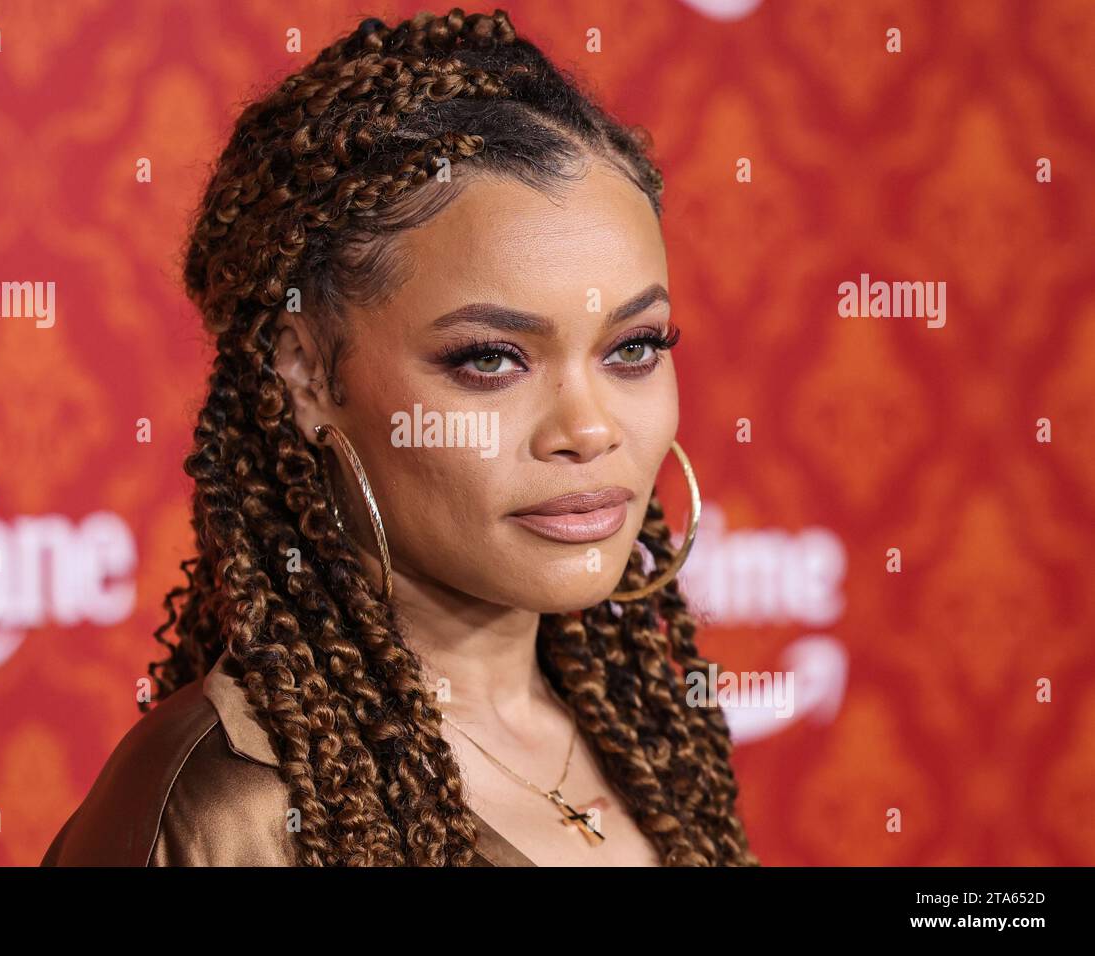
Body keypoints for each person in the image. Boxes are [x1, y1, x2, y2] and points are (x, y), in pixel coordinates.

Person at [43, 6, 758, 867]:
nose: (589, 428)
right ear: (306, 371)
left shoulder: (654, 741)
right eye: (491, 359)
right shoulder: (226, 816)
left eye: (633, 348)